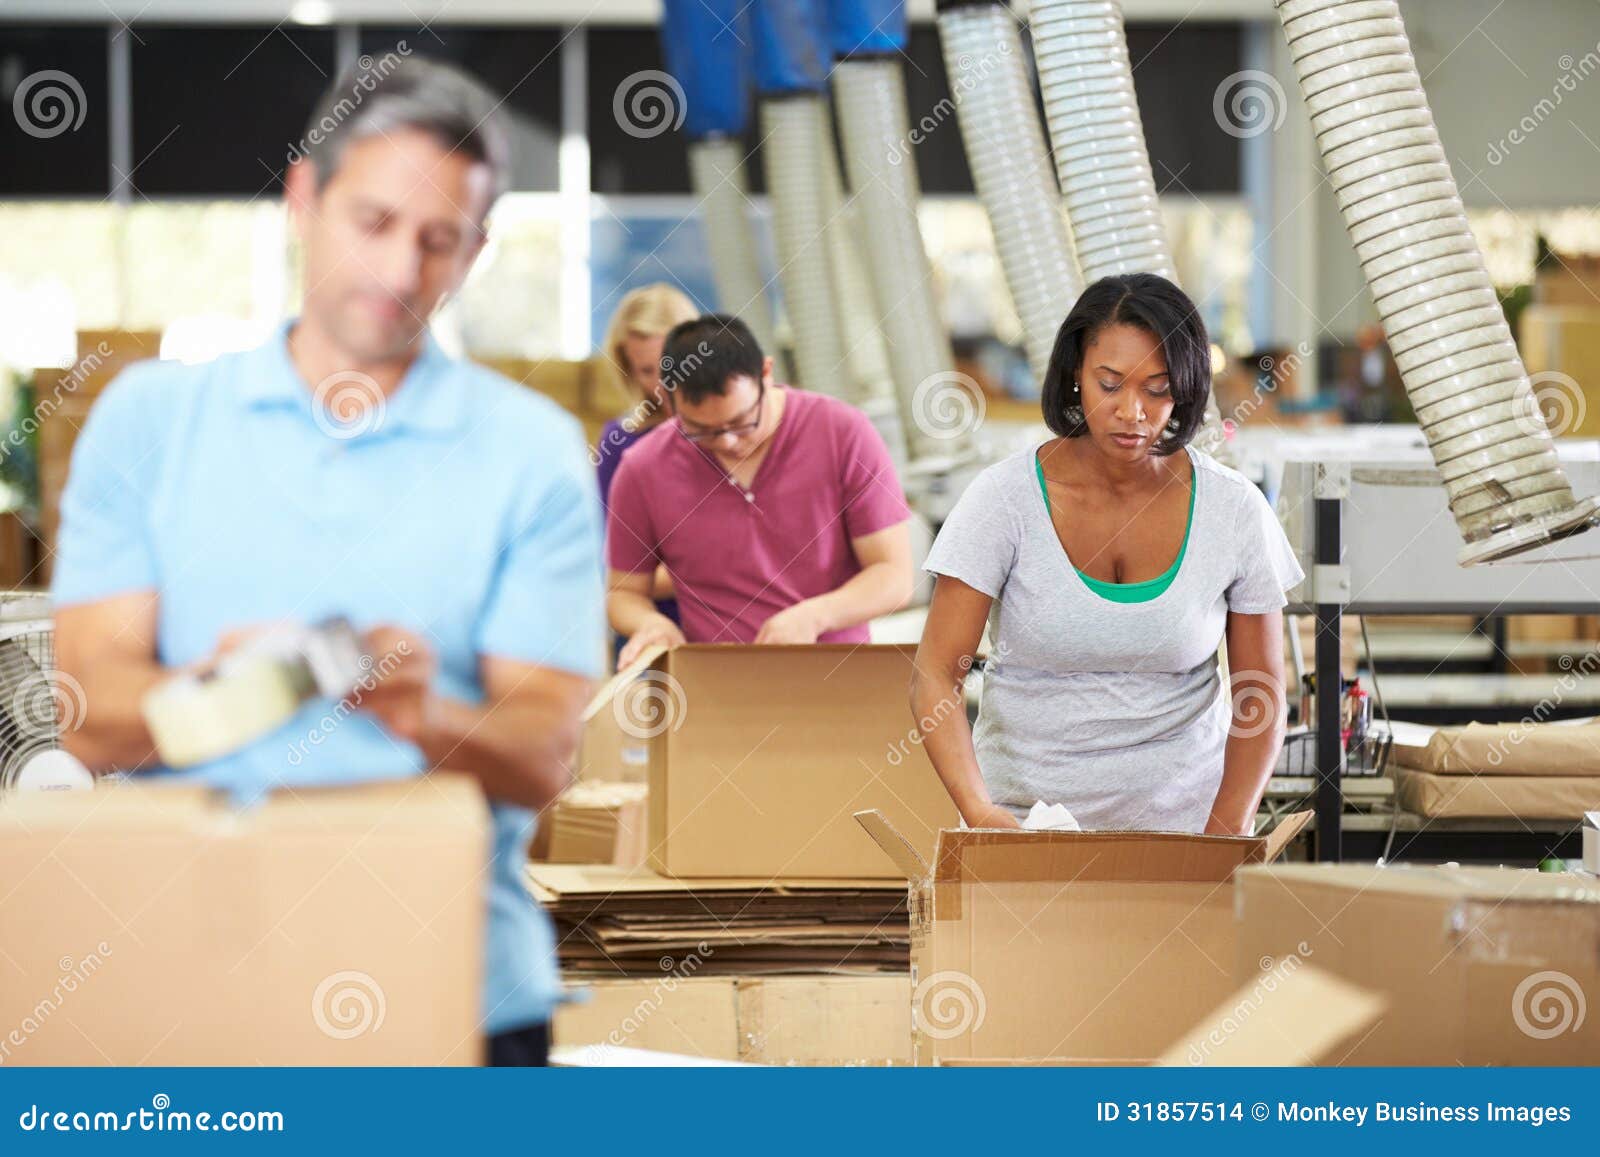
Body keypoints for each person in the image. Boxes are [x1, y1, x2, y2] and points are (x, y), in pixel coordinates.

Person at [50, 57, 603, 1067]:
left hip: (451, 985)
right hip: (187, 975)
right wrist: (225, 690)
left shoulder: (530, 450)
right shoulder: (151, 420)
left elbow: (540, 755)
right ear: (303, 199)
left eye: (439, 241)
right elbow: (88, 721)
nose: (401, 274)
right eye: (375, 222)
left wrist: (425, 713)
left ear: (476, 249)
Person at [911, 273, 1304, 836]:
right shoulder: (1004, 500)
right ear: (1075, 376)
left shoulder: (1233, 509)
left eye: (1157, 389)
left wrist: (1223, 839)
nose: (1132, 411)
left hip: (1183, 836)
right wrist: (981, 813)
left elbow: (1260, 695)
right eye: (1110, 383)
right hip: (1023, 831)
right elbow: (933, 676)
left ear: (1187, 389)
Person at [606, 313, 914, 662]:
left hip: (837, 678)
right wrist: (650, 624)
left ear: (766, 374)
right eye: (700, 429)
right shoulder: (642, 467)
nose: (728, 442)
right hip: (713, 688)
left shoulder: (844, 433)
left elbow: (893, 575)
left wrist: (815, 616)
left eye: (741, 422)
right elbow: (623, 591)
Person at [593, 284, 699, 644]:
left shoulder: (739, 432)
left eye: (676, 365)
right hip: (651, 631)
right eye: (647, 370)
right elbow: (617, 575)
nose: (666, 384)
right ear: (628, 371)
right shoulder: (621, 443)